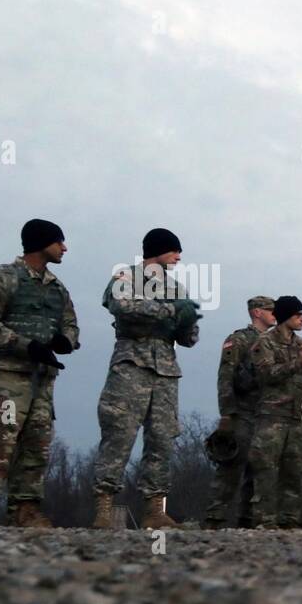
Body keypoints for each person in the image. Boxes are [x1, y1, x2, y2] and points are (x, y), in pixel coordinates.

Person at [0, 219, 78, 527]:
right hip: (5, 377)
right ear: (42, 243)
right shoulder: (1, 278)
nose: (64, 248)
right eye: (59, 242)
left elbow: (70, 324)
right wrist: (24, 345)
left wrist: (64, 341)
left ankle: (26, 508)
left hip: (41, 378)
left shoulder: (57, 289)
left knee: (37, 443)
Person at [91, 227, 199, 530]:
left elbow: (190, 337)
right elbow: (121, 306)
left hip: (165, 370)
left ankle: (155, 507)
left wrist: (187, 322)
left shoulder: (177, 288)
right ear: (157, 250)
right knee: (119, 434)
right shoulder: (128, 277)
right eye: (174, 251)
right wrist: (167, 312)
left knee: (162, 439)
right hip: (131, 365)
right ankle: (103, 507)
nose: (179, 257)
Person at [247, 296, 302, 528]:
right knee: (266, 469)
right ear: (285, 317)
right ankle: (265, 520)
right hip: (272, 415)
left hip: (299, 415)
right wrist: (299, 364)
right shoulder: (265, 342)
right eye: (297, 315)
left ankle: (290, 521)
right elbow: (265, 375)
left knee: (295, 470)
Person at [202, 295, 275, 529]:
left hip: (267, 413)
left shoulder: (274, 341)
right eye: (269, 310)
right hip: (243, 412)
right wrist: (227, 413)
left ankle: (248, 519)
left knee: (259, 468)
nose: (275, 313)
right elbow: (225, 377)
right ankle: (215, 518)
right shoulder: (240, 339)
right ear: (256, 312)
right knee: (231, 466)